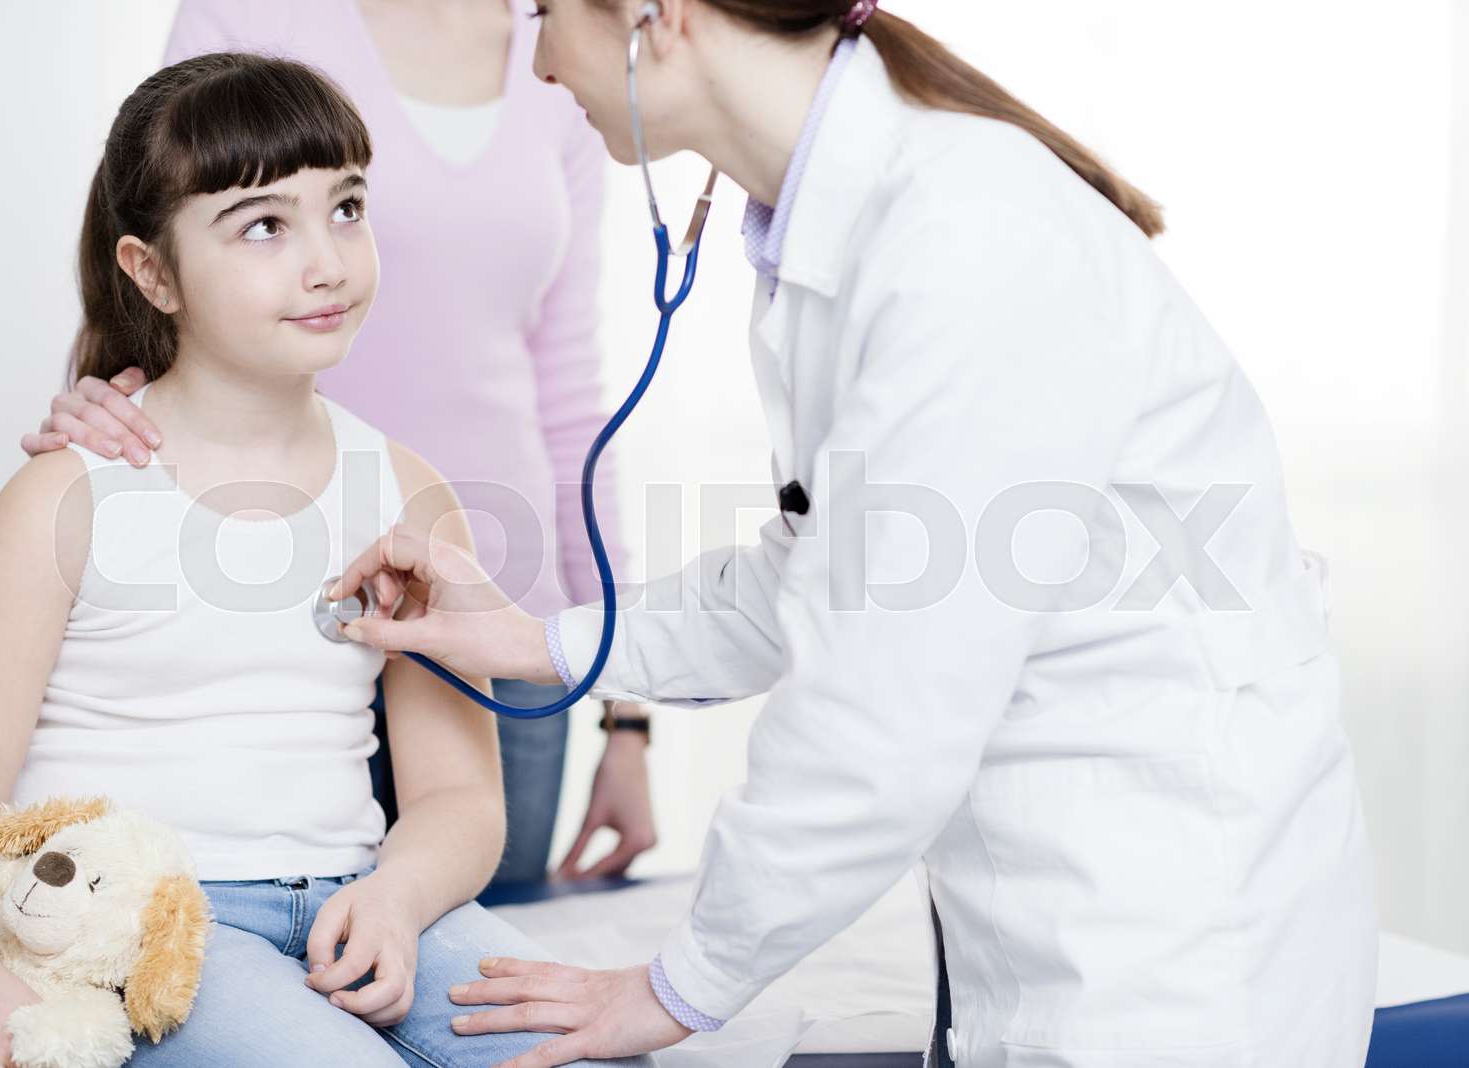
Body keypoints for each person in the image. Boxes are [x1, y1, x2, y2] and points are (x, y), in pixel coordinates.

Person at [326, 1, 1380, 1065]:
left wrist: (677, 987)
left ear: (663, 18)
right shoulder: (839, 228)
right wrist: (539, 642)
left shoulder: (969, 241)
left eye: (549, 13)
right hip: (1060, 896)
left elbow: (877, 711)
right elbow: (822, 570)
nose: (540, 61)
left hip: (1172, 937)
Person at [0, 51, 653, 1068]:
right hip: (149, 926)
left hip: (353, 895)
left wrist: (395, 896)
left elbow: (461, 801)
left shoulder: (407, 491)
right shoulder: (65, 499)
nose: (327, 261)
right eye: (263, 227)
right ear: (151, 272)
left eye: (345, 208)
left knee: (599, 1050)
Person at [18, 0, 658, 889]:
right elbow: (159, 233)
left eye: (351, 208)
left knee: (468, 943)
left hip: (494, 607)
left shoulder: (562, 52)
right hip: (269, 604)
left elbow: (573, 393)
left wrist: (629, 717)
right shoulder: (244, 16)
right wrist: (104, 409)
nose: (327, 257)